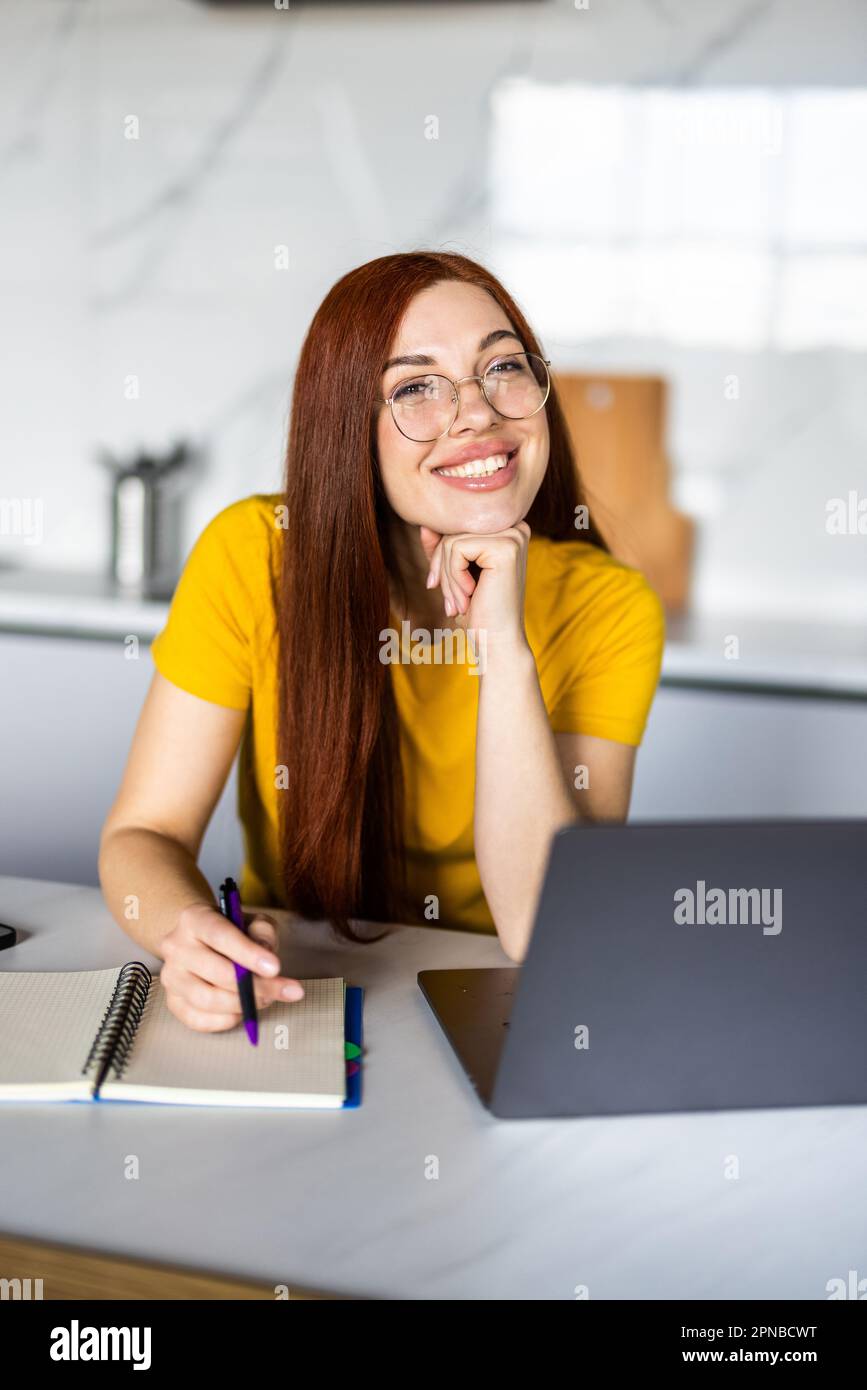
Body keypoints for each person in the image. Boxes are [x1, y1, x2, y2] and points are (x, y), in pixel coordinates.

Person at [99, 251, 664, 1033]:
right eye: (414, 387)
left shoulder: (608, 605)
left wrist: (501, 647)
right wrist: (184, 931)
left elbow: (542, 928)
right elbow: (144, 833)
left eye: (501, 367)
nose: (477, 415)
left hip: (495, 1006)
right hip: (302, 995)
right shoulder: (253, 554)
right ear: (348, 430)